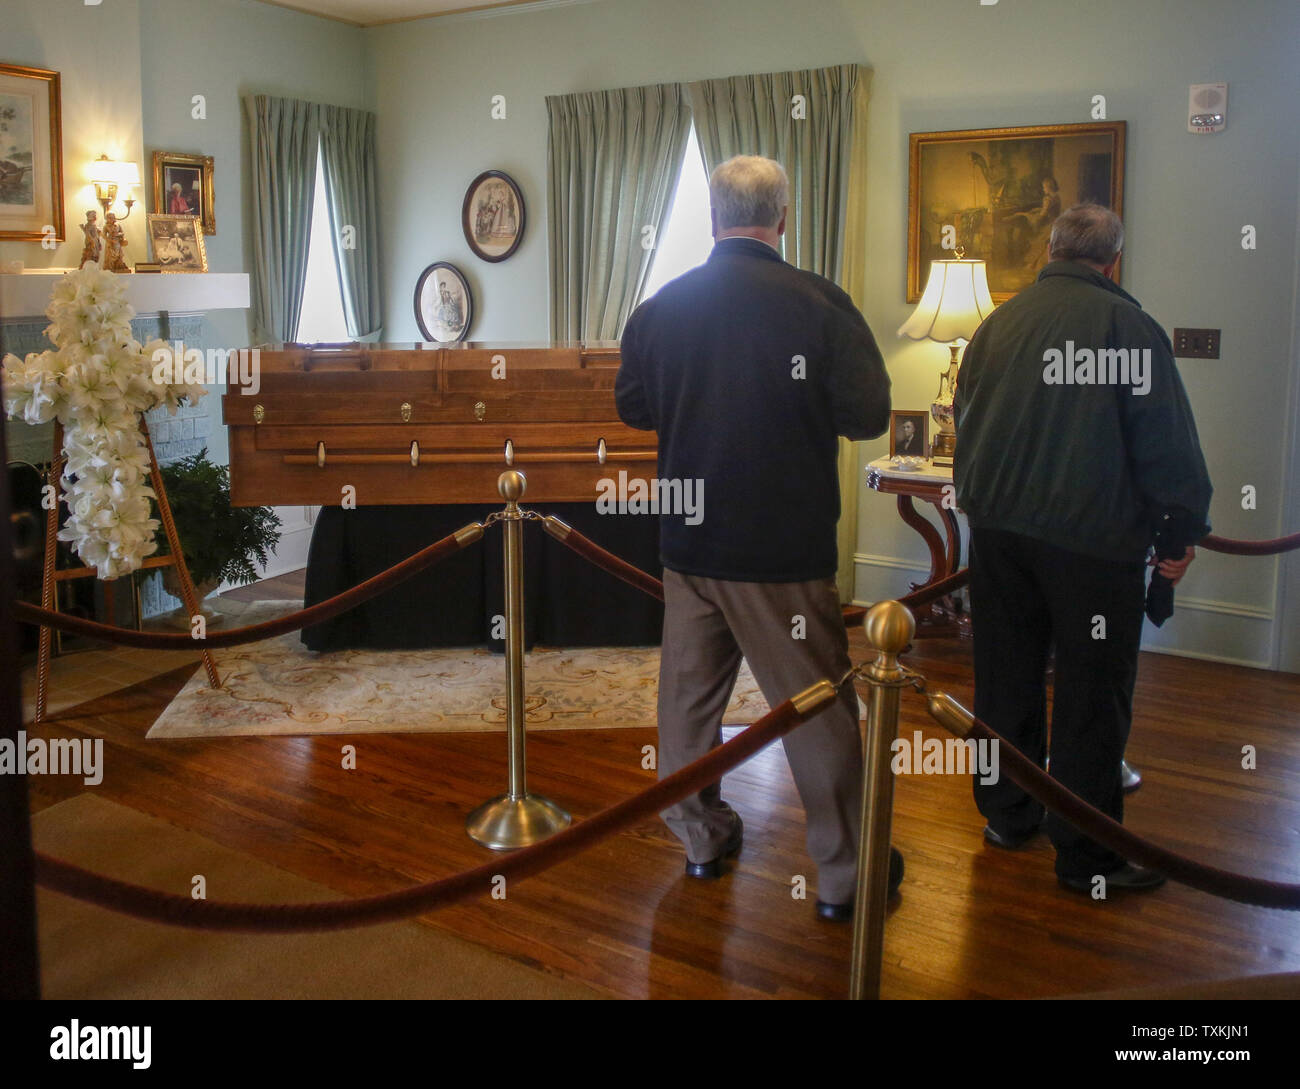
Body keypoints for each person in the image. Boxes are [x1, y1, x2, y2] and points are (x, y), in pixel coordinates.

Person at [616, 154, 897, 921]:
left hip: (689, 546)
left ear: (714, 219)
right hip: (783, 550)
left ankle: (701, 840)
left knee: (686, 706)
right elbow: (869, 415)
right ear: (784, 217)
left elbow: (633, 406)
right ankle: (844, 878)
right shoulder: (820, 303)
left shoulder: (662, 308)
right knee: (817, 711)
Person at [954, 203, 1212, 894]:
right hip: (1091, 544)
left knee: (1004, 679)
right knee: (1092, 693)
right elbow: (1166, 444)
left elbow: (964, 422)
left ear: (1051, 249)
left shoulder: (998, 323)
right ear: (1112, 260)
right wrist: (1181, 530)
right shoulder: (1129, 327)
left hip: (999, 536)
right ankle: (1088, 856)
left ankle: (1007, 817)